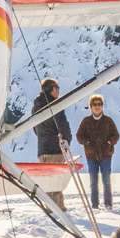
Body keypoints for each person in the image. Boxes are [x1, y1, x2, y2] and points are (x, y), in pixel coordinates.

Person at [30, 78, 74, 210]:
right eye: (57, 88)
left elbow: (35, 129)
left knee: (48, 181)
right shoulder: (55, 105)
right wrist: (67, 140)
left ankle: (51, 207)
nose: (58, 91)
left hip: (42, 151)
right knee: (56, 181)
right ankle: (58, 210)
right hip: (55, 149)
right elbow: (63, 127)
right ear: (52, 89)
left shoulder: (35, 107)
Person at [75, 94, 119, 210]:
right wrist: (86, 142)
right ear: (91, 107)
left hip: (106, 155)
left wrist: (110, 142)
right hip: (91, 155)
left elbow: (116, 135)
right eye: (94, 104)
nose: (97, 106)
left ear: (102, 106)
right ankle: (95, 205)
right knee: (93, 181)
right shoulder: (86, 121)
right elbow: (79, 136)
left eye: (99, 104)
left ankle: (108, 204)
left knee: (106, 180)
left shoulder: (108, 121)